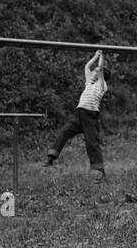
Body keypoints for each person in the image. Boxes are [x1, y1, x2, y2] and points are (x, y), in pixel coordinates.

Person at [45, 50, 109, 178]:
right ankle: (51, 157)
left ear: (100, 75)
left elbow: (101, 69)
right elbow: (86, 66)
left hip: (90, 116)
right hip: (79, 114)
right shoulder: (89, 82)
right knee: (64, 132)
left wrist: (101, 56)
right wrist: (95, 56)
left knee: (92, 143)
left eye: (96, 72)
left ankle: (100, 171)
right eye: (94, 71)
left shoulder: (102, 85)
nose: (93, 72)